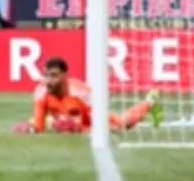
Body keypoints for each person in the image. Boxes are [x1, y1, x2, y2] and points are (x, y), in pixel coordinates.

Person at [14, 57, 163, 134]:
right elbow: (39, 126)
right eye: (46, 75)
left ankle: (149, 102)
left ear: (65, 76)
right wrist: (31, 129)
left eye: (54, 76)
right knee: (52, 122)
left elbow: (96, 127)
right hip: (65, 117)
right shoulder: (41, 92)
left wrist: (77, 127)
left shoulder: (81, 94)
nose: (49, 81)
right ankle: (55, 120)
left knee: (122, 125)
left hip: (92, 116)